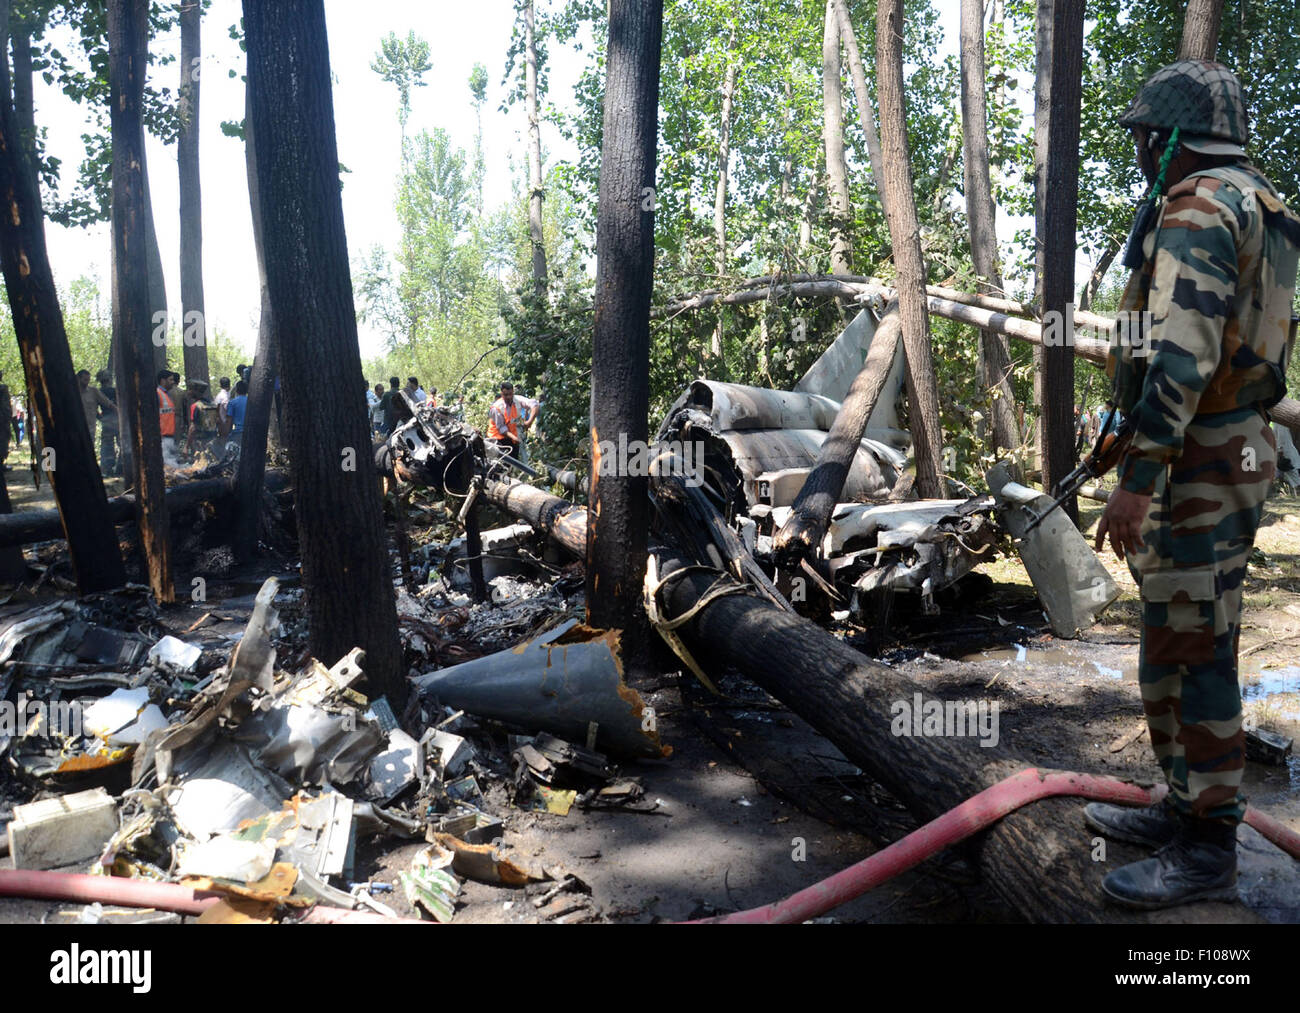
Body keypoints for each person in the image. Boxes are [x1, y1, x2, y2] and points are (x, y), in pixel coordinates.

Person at [1090, 60, 1300, 910]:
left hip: (1202, 459)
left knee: (1196, 646)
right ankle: (1186, 808)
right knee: (1183, 634)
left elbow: (1183, 353)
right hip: (1232, 445)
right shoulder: (1265, 205)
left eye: (1146, 135)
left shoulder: (1202, 204)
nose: (1142, 151)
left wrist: (1139, 479)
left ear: (1173, 136)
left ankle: (1207, 846)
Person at [486, 381, 523, 458]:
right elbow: (502, 428)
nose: (509, 397)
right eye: (506, 395)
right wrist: (515, 438)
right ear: (502, 394)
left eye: (510, 394)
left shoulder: (515, 403)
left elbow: (515, 420)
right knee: (503, 465)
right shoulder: (496, 408)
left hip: (511, 438)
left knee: (514, 463)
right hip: (498, 440)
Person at [95, 370, 119, 475]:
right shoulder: (116, 391)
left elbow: (94, 409)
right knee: (122, 444)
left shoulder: (98, 392)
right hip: (118, 422)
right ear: (109, 379)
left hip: (107, 422)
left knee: (106, 446)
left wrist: (101, 418)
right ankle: (120, 468)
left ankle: (107, 469)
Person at [157, 369, 178, 464]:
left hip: (169, 437)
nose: (173, 382)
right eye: (171, 380)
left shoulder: (167, 394)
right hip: (162, 438)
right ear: (163, 380)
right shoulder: (157, 394)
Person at [513, 390, 540, 465]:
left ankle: (526, 470)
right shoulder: (499, 403)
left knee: (521, 450)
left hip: (517, 430)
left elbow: (534, 404)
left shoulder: (517, 399)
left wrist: (529, 422)